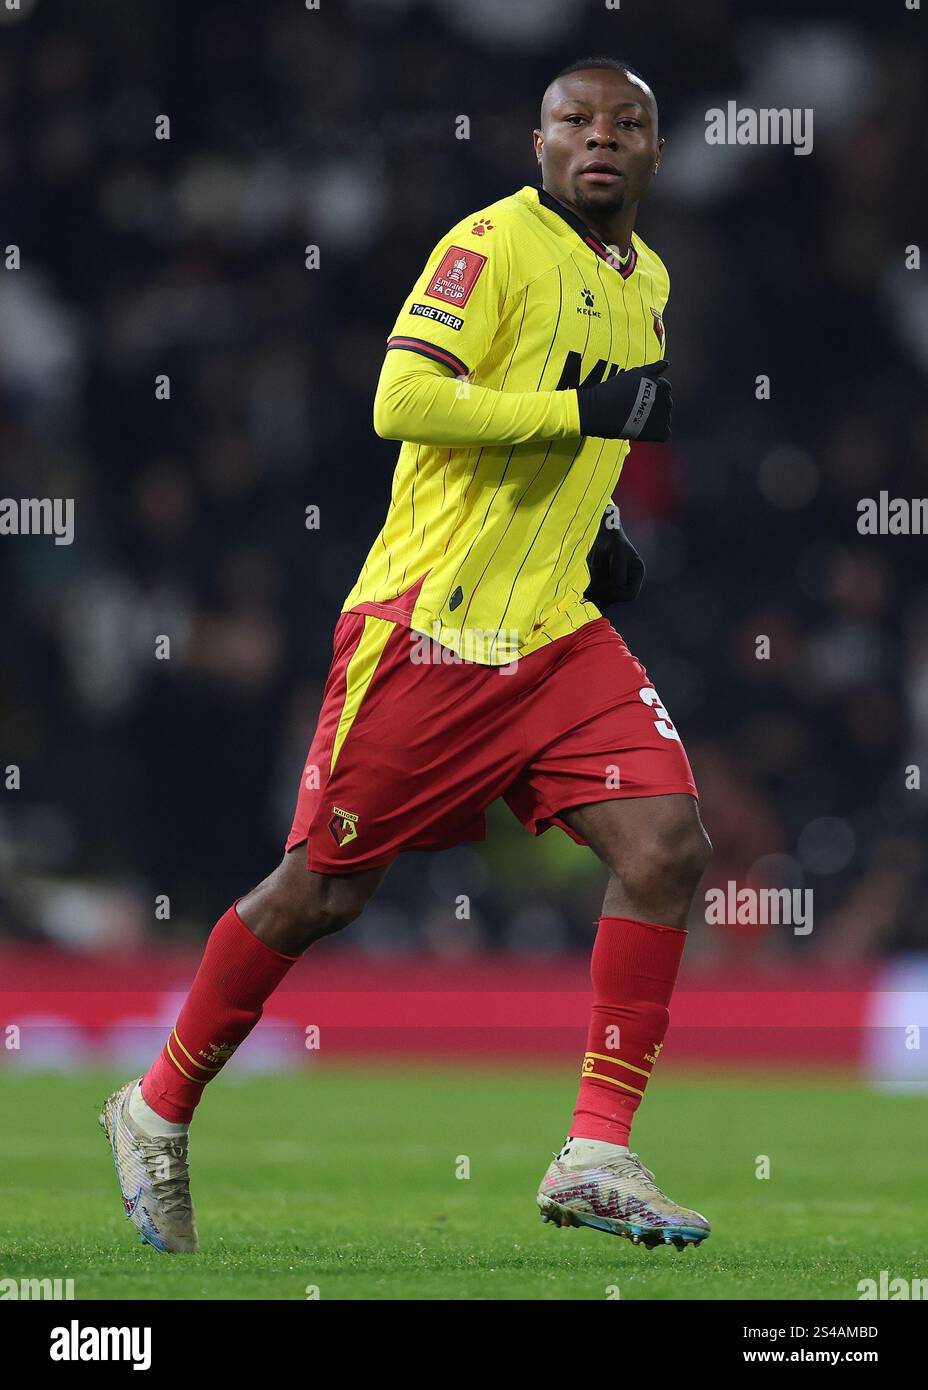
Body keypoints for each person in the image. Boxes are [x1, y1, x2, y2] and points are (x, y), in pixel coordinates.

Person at [100, 56, 713, 1255]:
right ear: (536, 145)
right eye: (575, 122)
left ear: (653, 153)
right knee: (324, 890)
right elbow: (403, 397)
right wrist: (579, 422)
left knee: (668, 843)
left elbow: (576, 418)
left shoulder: (650, 281)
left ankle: (594, 1150)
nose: (600, 139)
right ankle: (156, 1103)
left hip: (551, 629)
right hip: (431, 625)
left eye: (626, 124)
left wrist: (599, 529)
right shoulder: (486, 245)